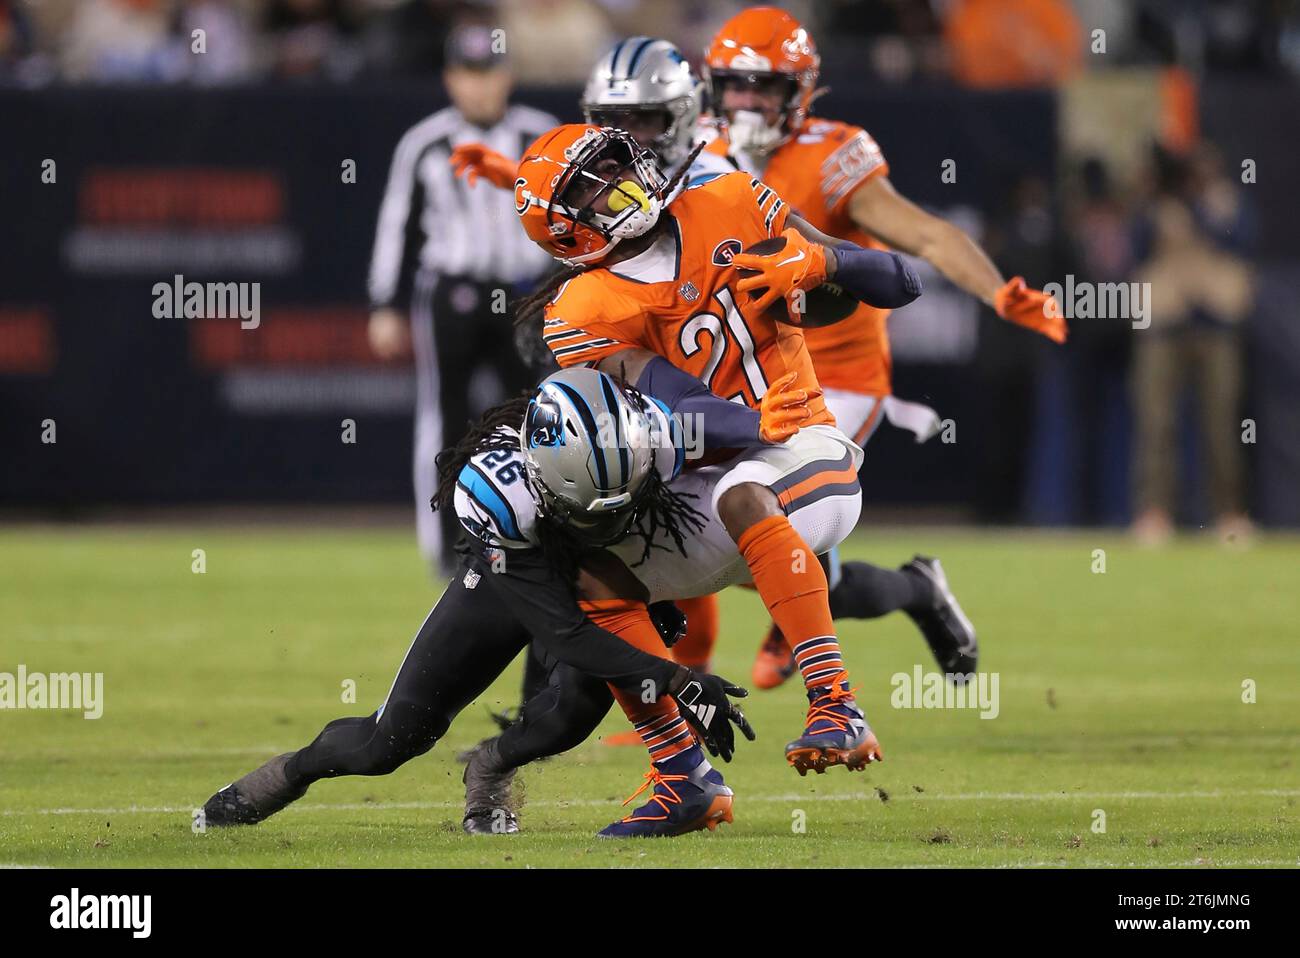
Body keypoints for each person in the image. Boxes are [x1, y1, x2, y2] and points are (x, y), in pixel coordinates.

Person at [198, 367, 757, 839]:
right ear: (543, 476)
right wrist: (677, 676)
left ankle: (491, 766)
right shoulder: (498, 495)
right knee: (390, 741)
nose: (606, 519)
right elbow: (564, 633)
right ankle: (283, 776)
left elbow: (736, 436)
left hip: (597, 571)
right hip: (516, 572)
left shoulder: (650, 436)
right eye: (590, 507)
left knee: (577, 710)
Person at [703, 6, 1066, 686]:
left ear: (801, 91)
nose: (748, 102)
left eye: (766, 87)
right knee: (774, 564)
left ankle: (806, 651)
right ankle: (918, 589)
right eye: (736, 85)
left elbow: (925, 236)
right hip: (747, 375)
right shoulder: (694, 145)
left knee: (758, 531)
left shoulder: (832, 152)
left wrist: (997, 291)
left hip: (835, 378)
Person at [367, 22, 557, 575]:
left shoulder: (539, 136)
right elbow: (394, 226)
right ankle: (443, 544)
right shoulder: (424, 142)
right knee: (444, 416)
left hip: (524, 291)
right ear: (450, 78)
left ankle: (535, 531)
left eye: (488, 73)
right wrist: (384, 302)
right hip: (453, 291)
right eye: (468, 75)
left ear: (508, 76)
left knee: (533, 414)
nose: (478, 87)